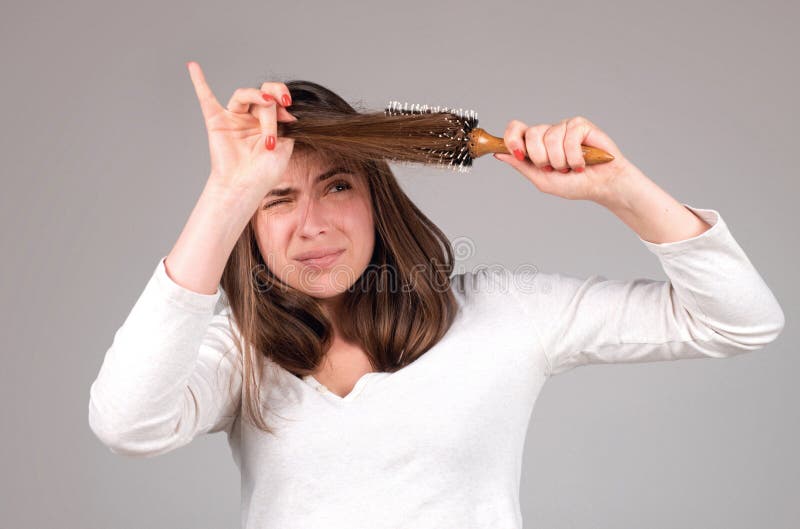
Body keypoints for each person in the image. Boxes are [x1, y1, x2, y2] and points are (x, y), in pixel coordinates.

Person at [87, 61, 785, 529]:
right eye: (275, 201)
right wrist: (225, 190)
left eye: (337, 185)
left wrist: (620, 188)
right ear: (249, 226)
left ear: (375, 196)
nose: (314, 225)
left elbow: (741, 320)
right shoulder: (239, 355)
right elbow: (126, 422)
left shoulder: (505, 315)